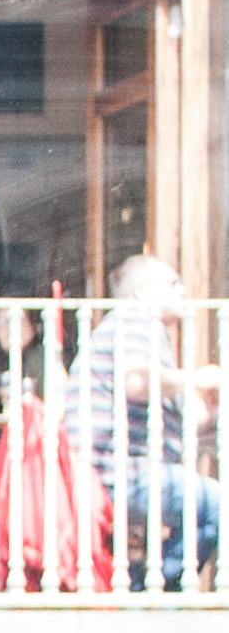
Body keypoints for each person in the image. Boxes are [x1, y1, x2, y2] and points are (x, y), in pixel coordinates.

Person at [61, 251, 221, 590]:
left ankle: (148, 588)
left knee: (209, 511)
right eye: (172, 283)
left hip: (119, 469)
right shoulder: (135, 319)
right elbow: (137, 382)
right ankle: (148, 590)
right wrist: (196, 378)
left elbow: (171, 415)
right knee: (217, 507)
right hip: (120, 471)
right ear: (142, 292)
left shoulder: (143, 332)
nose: (182, 291)